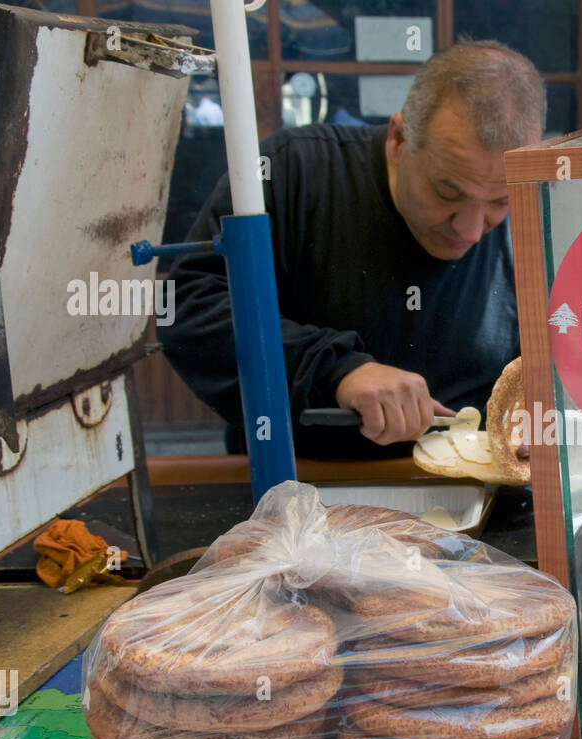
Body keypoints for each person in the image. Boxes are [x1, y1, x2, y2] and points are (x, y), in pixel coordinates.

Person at [161, 41, 545, 458]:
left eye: (498, 202)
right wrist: (334, 370)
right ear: (399, 139)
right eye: (447, 191)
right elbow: (187, 302)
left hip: (476, 494)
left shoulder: (536, 220)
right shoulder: (292, 172)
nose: (470, 230)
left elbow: (566, 353)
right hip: (301, 486)